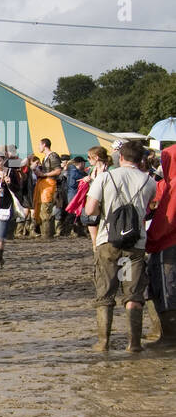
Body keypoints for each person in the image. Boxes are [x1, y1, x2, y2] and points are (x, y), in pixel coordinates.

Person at [84, 139, 157, 353]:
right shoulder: (149, 181)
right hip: (135, 244)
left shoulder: (106, 177)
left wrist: (105, 214)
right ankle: (134, 343)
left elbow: (90, 210)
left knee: (105, 292)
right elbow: (149, 207)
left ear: (121, 157)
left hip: (108, 241)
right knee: (132, 292)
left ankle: (103, 341)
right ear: (141, 159)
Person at [145, 144, 176, 348]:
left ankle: (169, 337)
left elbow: (168, 219)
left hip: (169, 243)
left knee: (167, 288)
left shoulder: (174, 185)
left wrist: (150, 239)